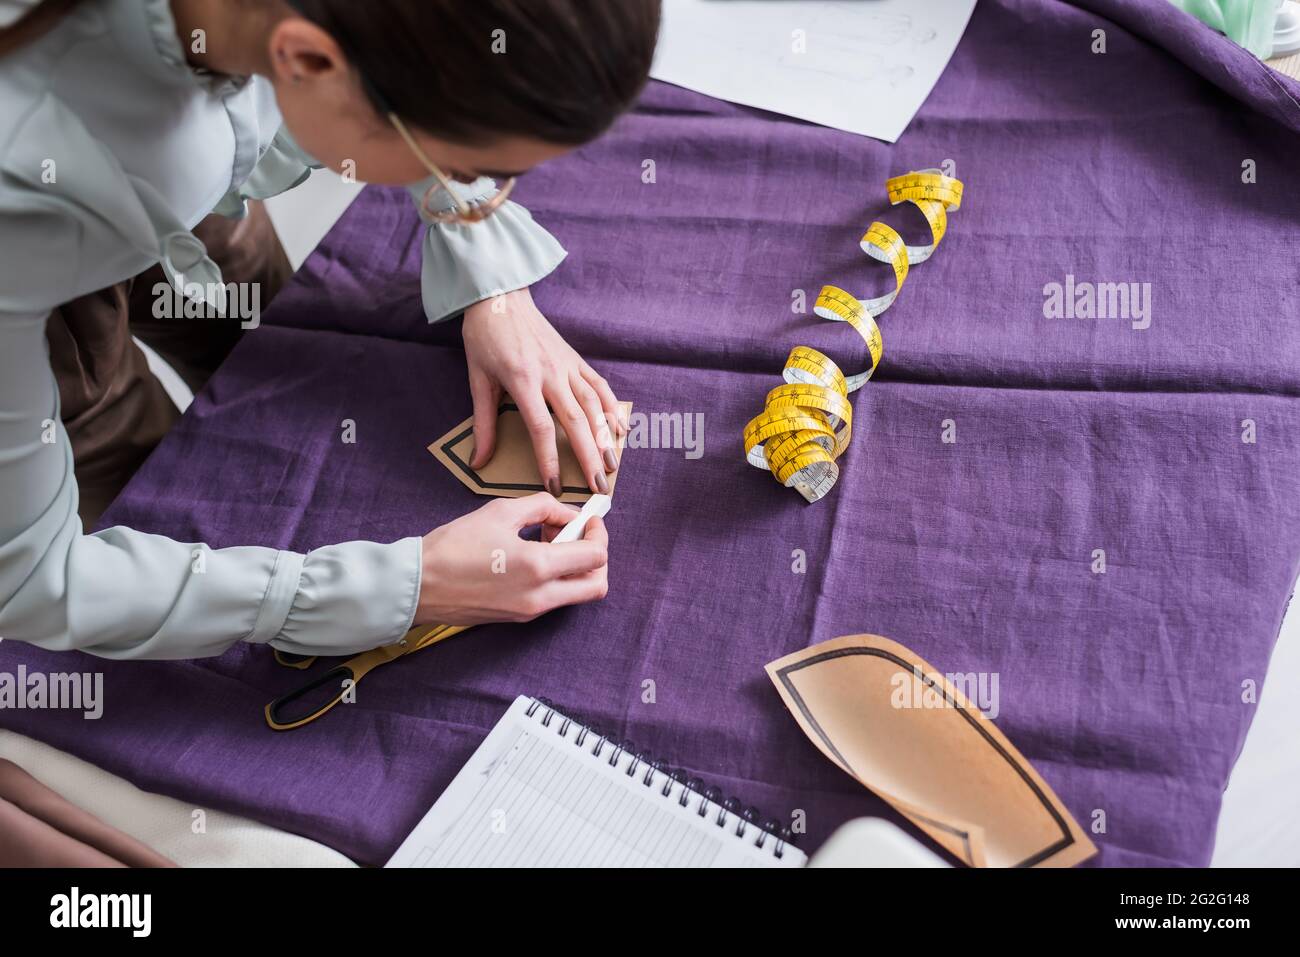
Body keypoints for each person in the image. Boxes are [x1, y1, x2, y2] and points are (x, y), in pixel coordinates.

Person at [0, 0, 661, 658]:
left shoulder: (264, 61)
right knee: (145, 476)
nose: (474, 189)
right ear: (307, 59)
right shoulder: (26, 194)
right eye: (459, 167)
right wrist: (404, 587)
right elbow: (33, 580)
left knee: (261, 322)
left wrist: (494, 282)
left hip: (180, 164)